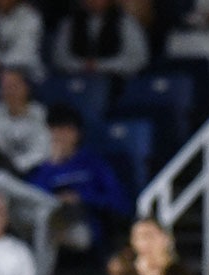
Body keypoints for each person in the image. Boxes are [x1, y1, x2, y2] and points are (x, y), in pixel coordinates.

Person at [27, 105, 131, 253]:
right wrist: (51, 165)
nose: (60, 136)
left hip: (85, 223)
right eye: (55, 130)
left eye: (66, 130)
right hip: (51, 219)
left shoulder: (93, 163)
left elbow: (119, 201)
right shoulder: (44, 167)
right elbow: (32, 198)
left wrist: (81, 198)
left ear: (77, 133)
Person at [52, 0, 149, 78]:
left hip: (116, 80)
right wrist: (83, 65)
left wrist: (100, 66)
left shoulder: (126, 23)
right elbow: (59, 57)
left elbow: (137, 58)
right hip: (77, 79)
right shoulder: (69, 23)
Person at [0, 67, 51, 173]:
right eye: (5, 87)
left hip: (38, 170)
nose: (10, 91)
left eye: (14, 86)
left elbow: (46, 148)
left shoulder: (42, 113)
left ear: (26, 87)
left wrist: (20, 167)